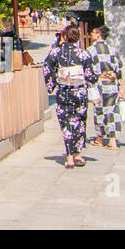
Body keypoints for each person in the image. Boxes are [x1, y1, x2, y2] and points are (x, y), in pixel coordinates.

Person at [43, 22, 99, 169]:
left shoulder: (56, 52)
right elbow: (91, 76)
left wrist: (52, 85)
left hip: (64, 92)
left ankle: (69, 157)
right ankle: (78, 154)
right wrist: (92, 79)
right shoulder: (83, 53)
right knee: (80, 122)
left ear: (64, 36)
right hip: (80, 92)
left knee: (66, 123)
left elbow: (47, 67)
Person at [86, 25, 124, 150]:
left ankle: (100, 138)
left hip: (99, 84)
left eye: (92, 33)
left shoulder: (91, 50)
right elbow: (119, 68)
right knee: (113, 112)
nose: (91, 35)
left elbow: (88, 70)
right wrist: (120, 86)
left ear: (98, 35)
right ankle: (113, 140)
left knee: (100, 111)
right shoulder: (112, 49)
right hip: (112, 84)